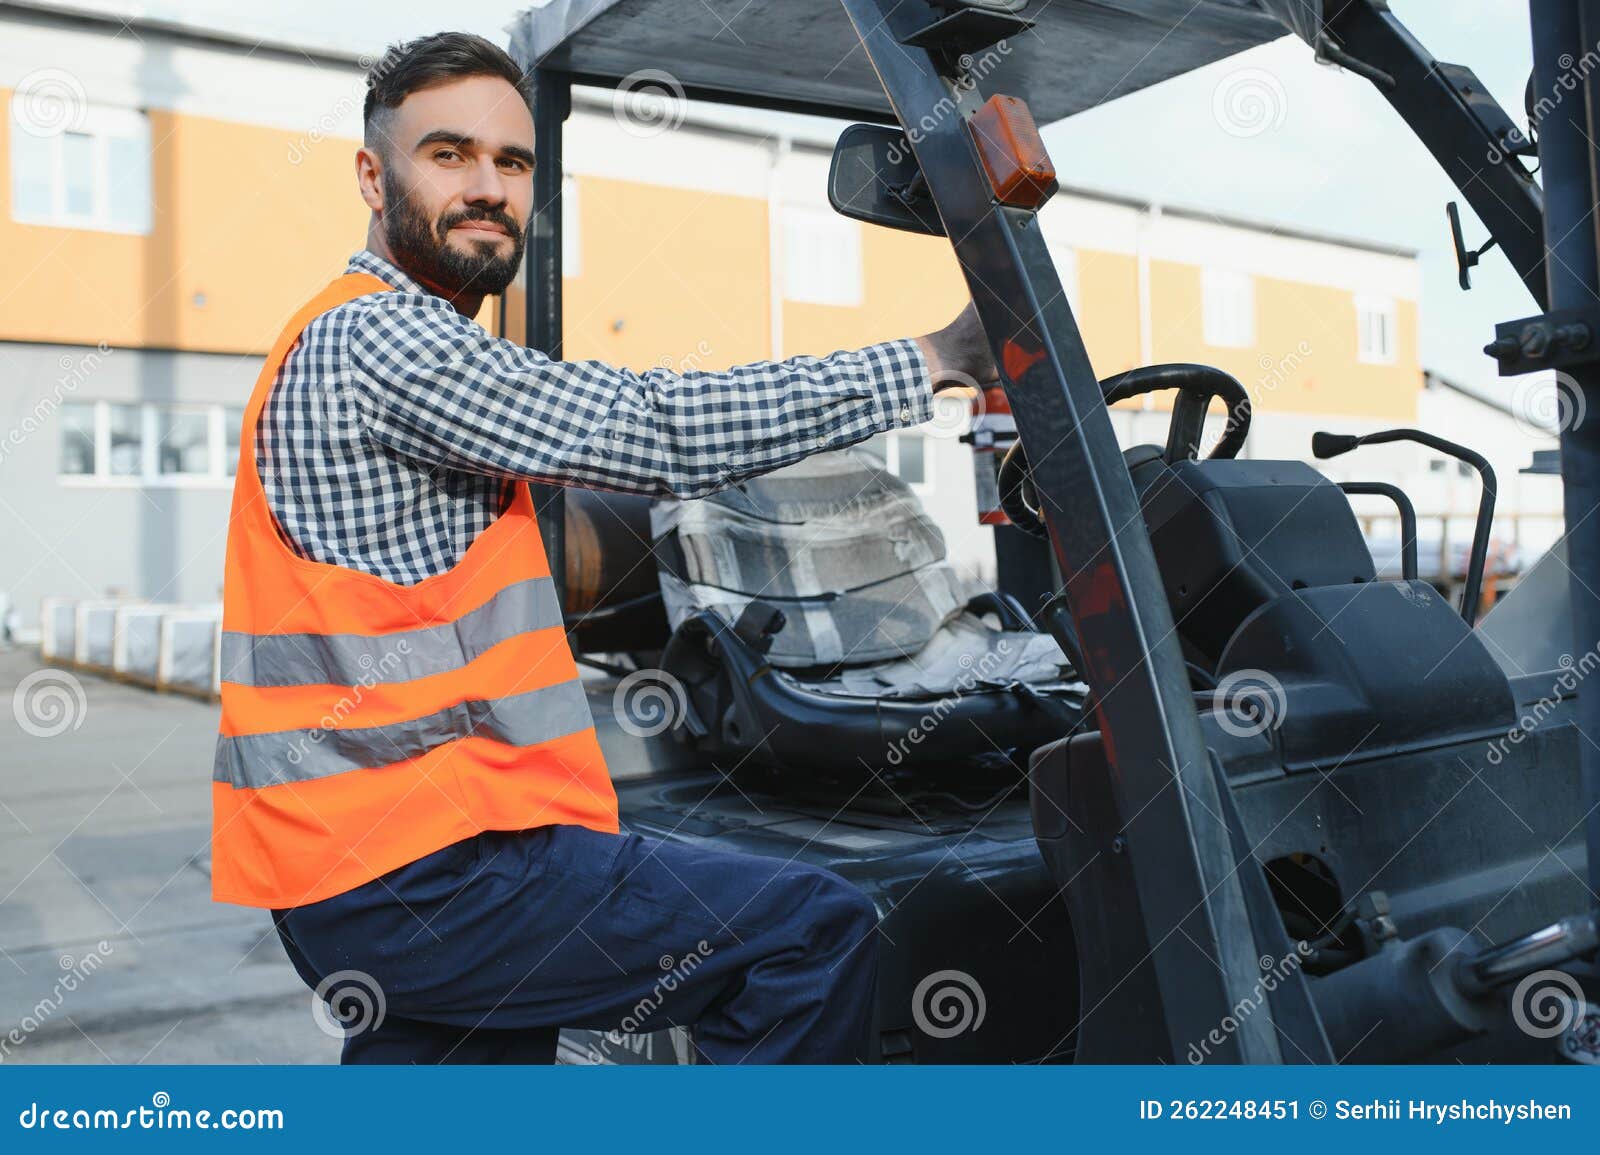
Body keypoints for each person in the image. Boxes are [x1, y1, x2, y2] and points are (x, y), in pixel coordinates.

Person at [211, 31, 997, 1065]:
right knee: (807, 933)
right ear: (373, 175)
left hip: (384, 865)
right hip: (424, 869)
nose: (487, 187)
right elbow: (653, 428)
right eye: (447, 155)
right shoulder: (378, 339)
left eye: (511, 161)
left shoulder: (373, 339)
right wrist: (930, 360)